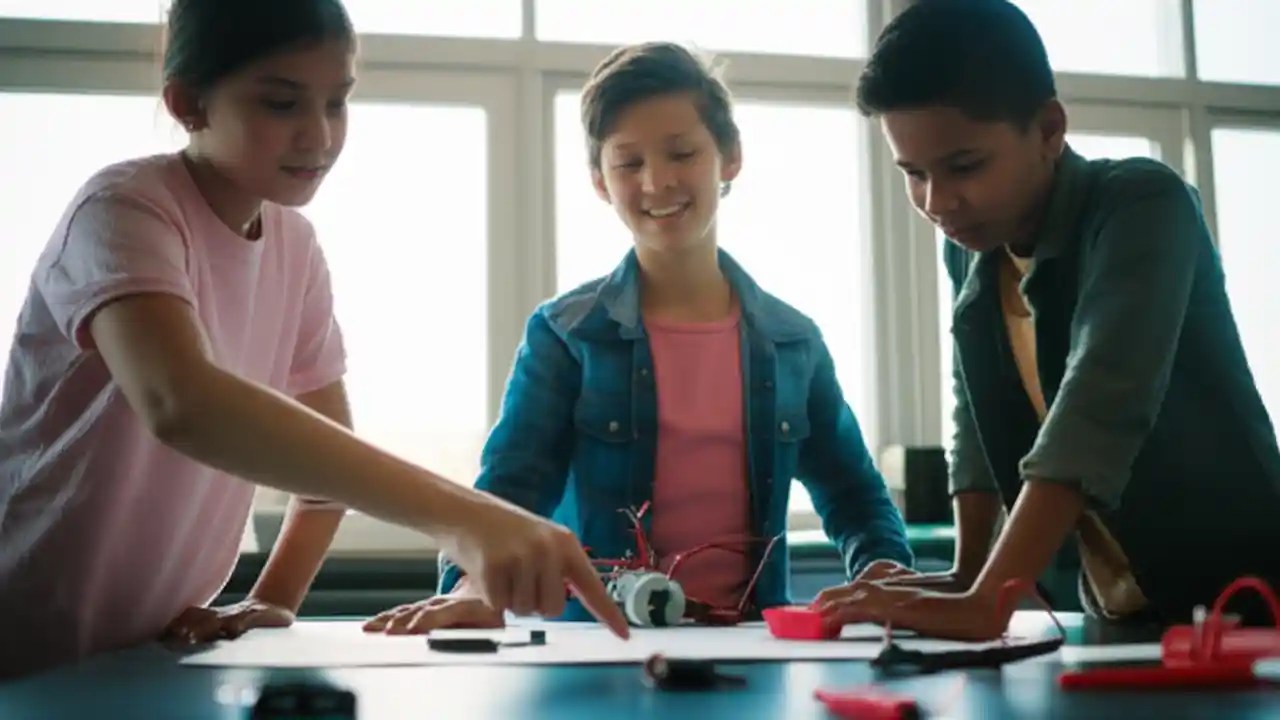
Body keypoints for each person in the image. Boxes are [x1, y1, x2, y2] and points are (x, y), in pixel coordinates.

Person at [0, 0, 626, 679]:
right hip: (24, 637)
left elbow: (323, 481)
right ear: (187, 103)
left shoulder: (294, 246)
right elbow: (180, 401)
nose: (319, 136)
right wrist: (466, 520)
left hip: (150, 656)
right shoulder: (124, 208)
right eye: (281, 104)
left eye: (337, 103)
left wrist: (273, 601)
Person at [362, 41, 913, 635]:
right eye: (629, 163)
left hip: (750, 647)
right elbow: (509, 493)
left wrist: (883, 573)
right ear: (599, 180)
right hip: (597, 646)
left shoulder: (793, 342)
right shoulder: (566, 336)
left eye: (682, 153)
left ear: (729, 158)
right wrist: (471, 588)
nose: (658, 182)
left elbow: (855, 496)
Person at [815, 0, 1280, 640]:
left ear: (1050, 129)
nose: (936, 202)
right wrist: (966, 573)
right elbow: (973, 415)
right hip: (1124, 619)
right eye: (913, 174)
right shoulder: (971, 246)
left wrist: (988, 602)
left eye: (965, 166)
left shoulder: (1144, 205)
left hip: (1251, 610)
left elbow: (1095, 408)